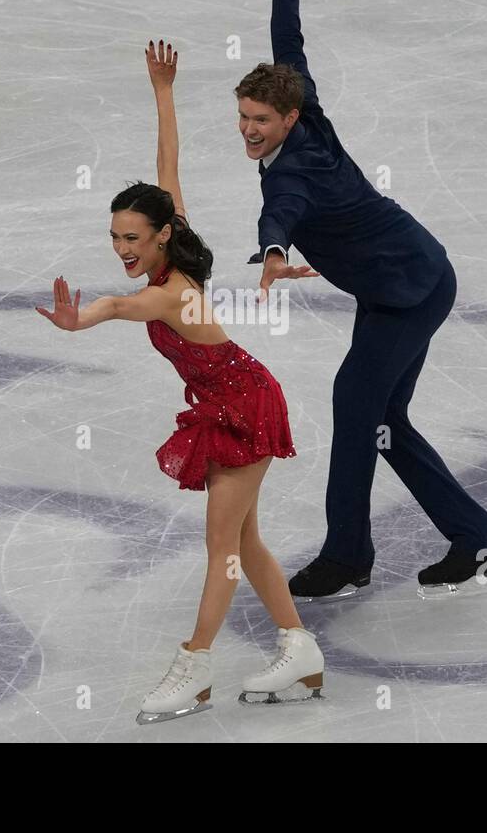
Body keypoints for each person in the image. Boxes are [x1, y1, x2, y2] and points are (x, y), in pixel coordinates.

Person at [36, 40, 325, 724]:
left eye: (133, 238)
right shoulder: (177, 246)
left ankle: (194, 669)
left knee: (221, 549)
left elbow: (119, 306)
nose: (123, 249)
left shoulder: (166, 294)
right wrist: (163, 92)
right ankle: (298, 650)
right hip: (232, 398)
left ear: (163, 236)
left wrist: (85, 318)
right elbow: (169, 165)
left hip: (244, 405)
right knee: (244, 542)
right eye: (115, 238)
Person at [242, 0, 487, 600]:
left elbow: (281, 214)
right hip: (405, 277)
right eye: (244, 116)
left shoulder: (292, 174)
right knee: (382, 418)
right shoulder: (310, 116)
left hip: (412, 289)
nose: (249, 130)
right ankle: (476, 537)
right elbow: (286, 39)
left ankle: (348, 555)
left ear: (289, 118)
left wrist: (272, 253)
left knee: (358, 405)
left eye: (262, 119)